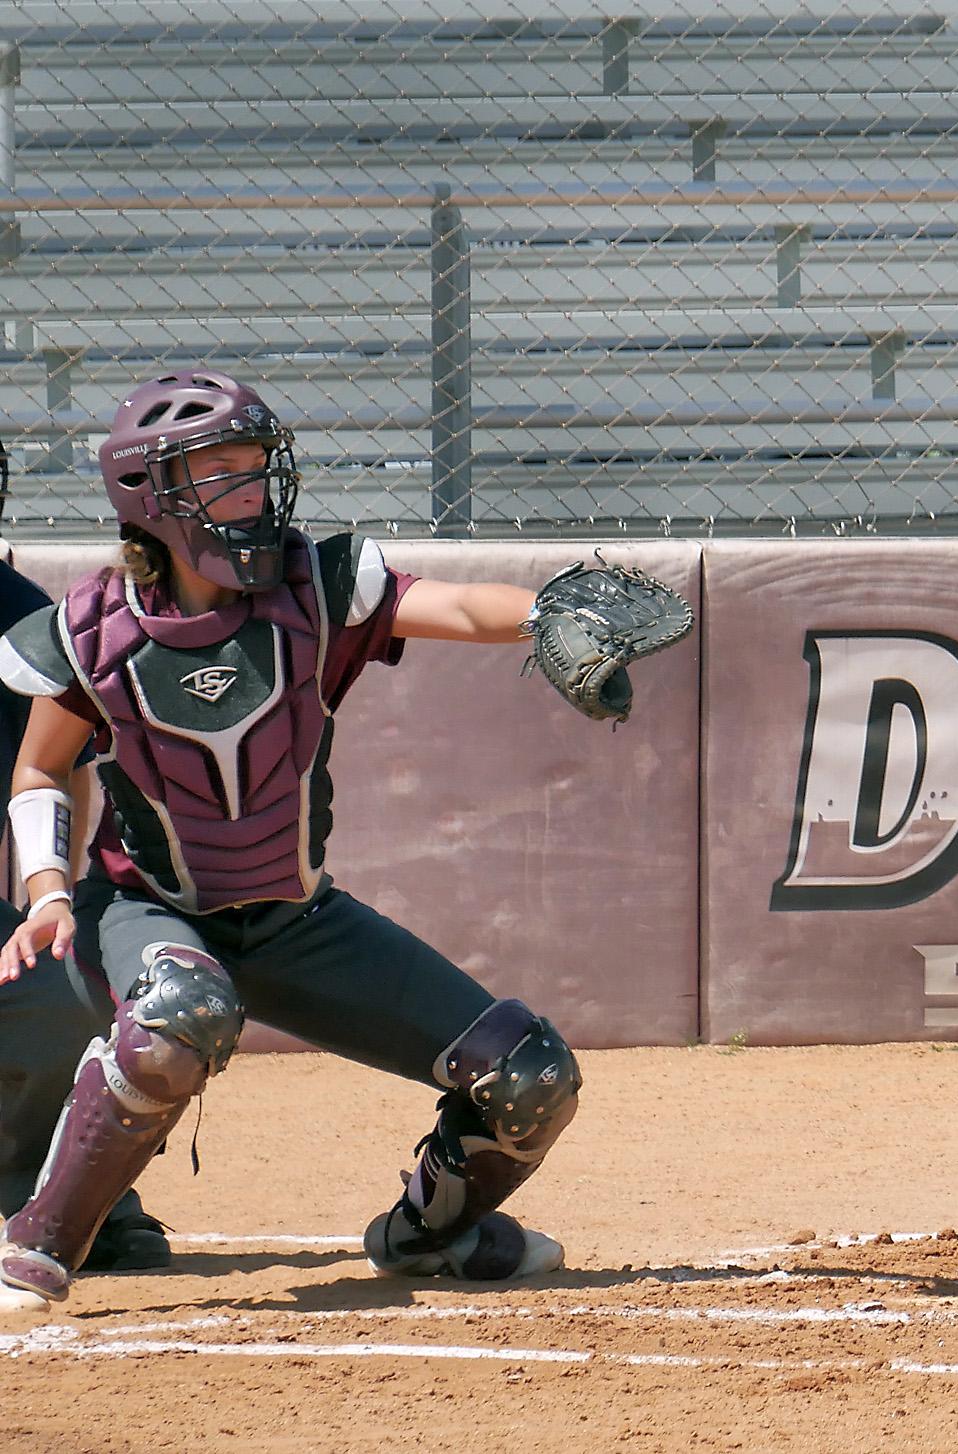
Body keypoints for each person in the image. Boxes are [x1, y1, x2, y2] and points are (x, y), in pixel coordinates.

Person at [0, 370, 584, 1314]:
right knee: (181, 1013)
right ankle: (37, 1246)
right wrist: (48, 893)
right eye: (221, 470)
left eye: (256, 466)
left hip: (297, 920)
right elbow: (38, 770)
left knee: (530, 1075)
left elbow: (455, 607)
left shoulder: (318, 590)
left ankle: (427, 1234)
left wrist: (550, 615)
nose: (252, 491)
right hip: (148, 911)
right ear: (151, 493)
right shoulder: (93, 629)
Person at [0, 439, 172, 1273]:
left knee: (67, 983)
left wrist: (51, 899)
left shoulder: (18, 618)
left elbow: (59, 768)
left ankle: (47, 1189)